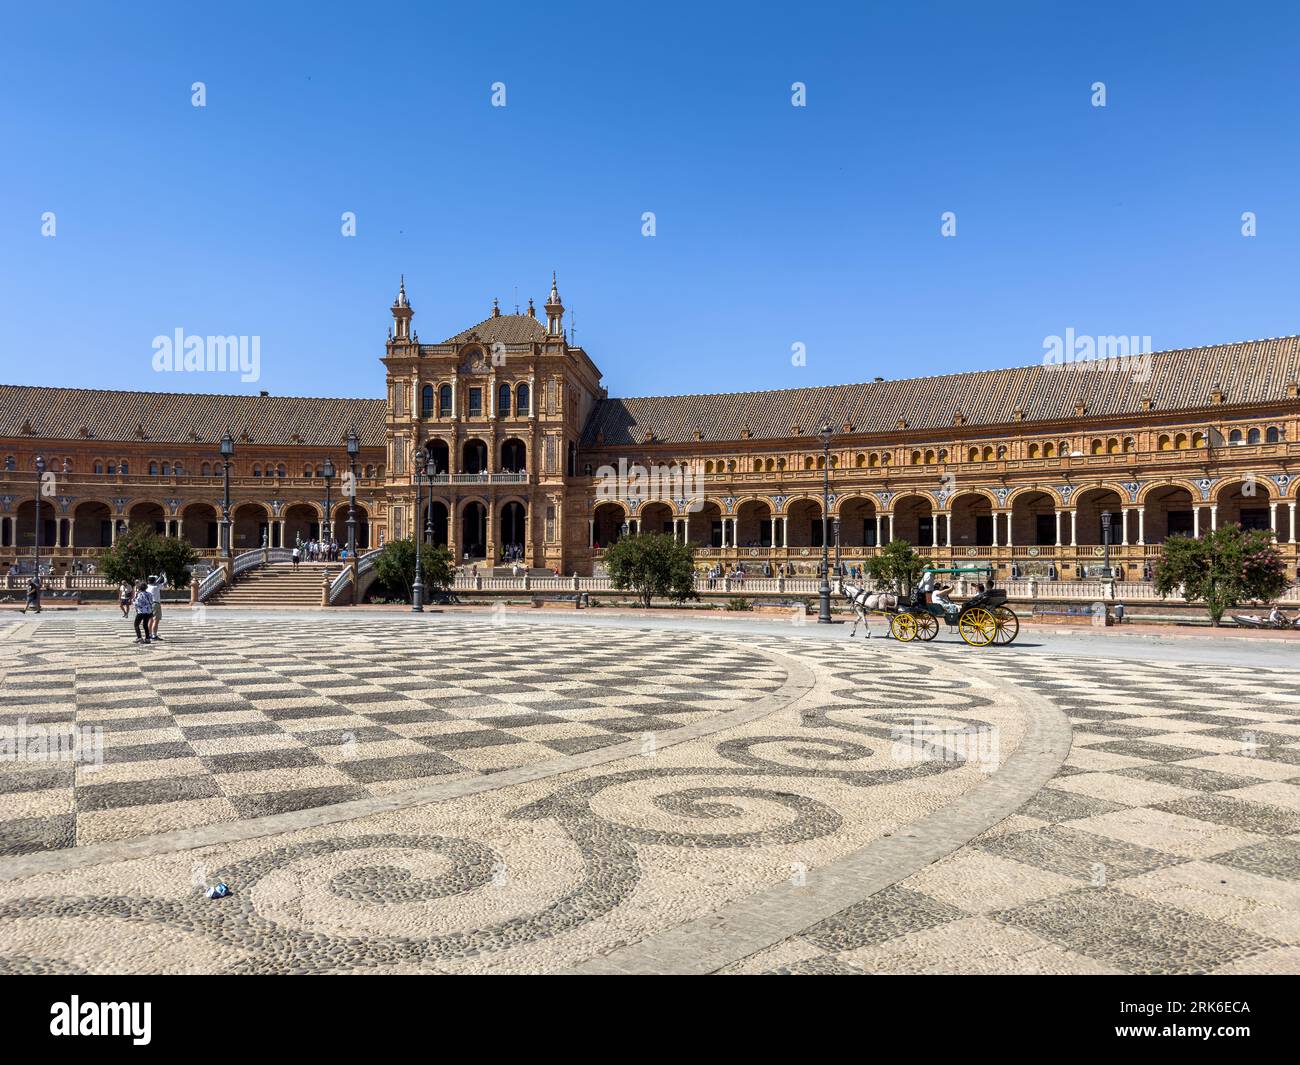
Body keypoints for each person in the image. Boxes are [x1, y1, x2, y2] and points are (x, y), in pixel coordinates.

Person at [145, 572, 168, 640]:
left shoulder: (148, 586)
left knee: (150, 620)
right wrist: (164, 577)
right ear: (154, 581)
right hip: (155, 604)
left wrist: (160, 577)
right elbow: (165, 583)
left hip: (149, 604)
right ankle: (154, 635)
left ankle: (149, 635)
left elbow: (155, 582)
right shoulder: (156, 587)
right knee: (156, 620)